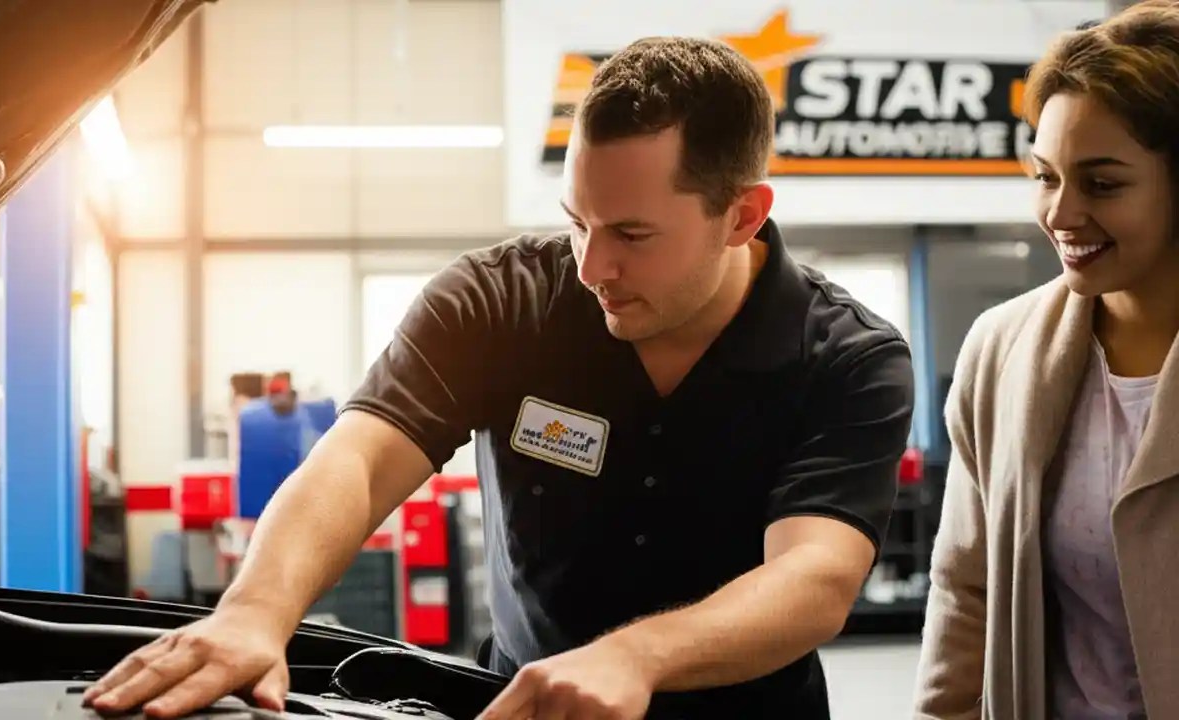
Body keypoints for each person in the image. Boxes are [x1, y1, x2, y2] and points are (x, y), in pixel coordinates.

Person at [85, 36, 914, 720]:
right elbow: (362, 458)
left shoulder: (847, 359)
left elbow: (813, 579)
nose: (592, 267)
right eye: (576, 221)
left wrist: (637, 657)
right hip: (521, 706)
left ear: (742, 216)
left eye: (630, 233)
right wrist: (257, 610)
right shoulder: (497, 302)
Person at [913, 2, 1179, 718]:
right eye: (1044, 175)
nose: (1060, 214)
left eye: (1102, 183)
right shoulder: (1004, 351)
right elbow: (966, 588)